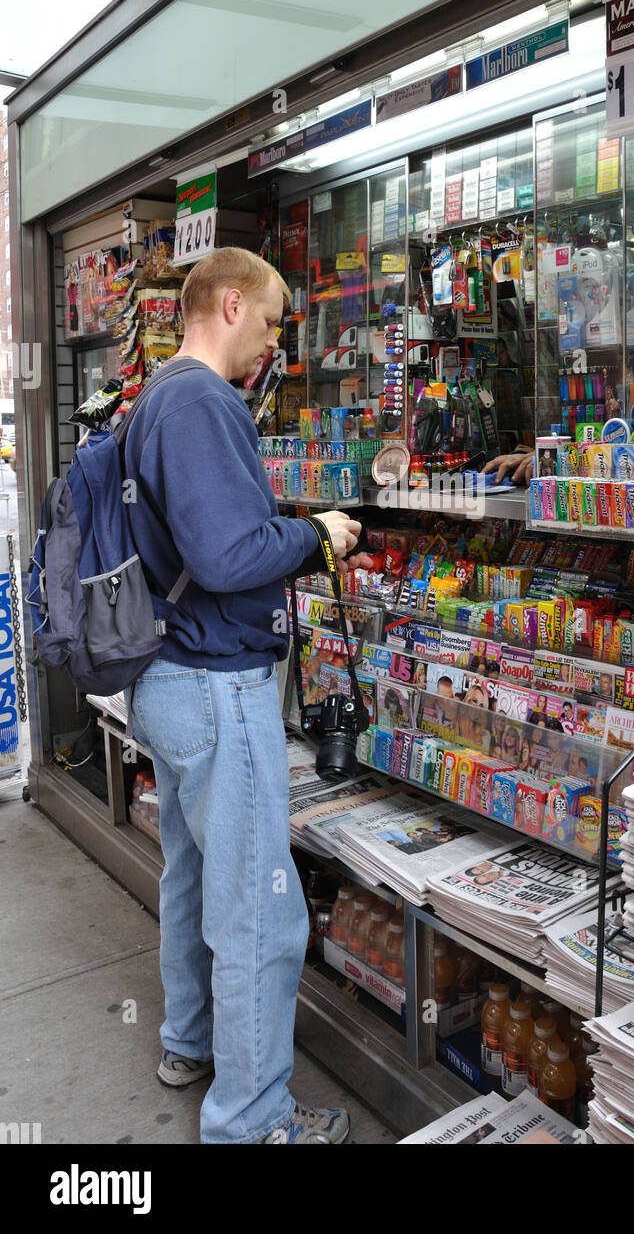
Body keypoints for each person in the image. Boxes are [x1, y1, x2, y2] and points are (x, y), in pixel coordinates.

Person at [123, 247, 369, 1146]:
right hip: (215, 686)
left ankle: (188, 1042)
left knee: (193, 877)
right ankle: (253, 1118)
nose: (272, 343)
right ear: (230, 304)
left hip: (172, 681)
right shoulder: (197, 400)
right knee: (261, 907)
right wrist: (315, 535)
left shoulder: (156, 396)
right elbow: (227, 558)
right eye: (269, 321)